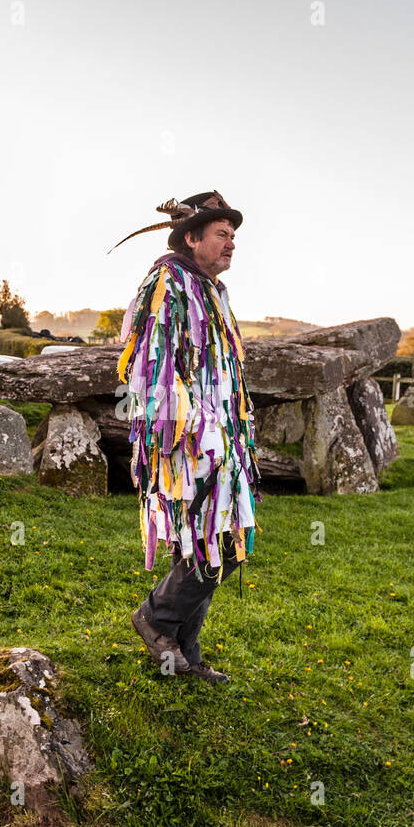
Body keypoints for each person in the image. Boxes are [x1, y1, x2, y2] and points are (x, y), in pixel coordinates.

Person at [109, 191, 263, 685]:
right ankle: (156, 619)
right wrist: (181, 427)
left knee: (220, 540)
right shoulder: (169, 284)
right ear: (191, 237)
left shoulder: (212, 291)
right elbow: (150, 364)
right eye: (221, 234)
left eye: (233, 236)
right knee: (216, 540)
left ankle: (184, 652)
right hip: (187, 439)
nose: (231, 243)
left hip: (223, 437)